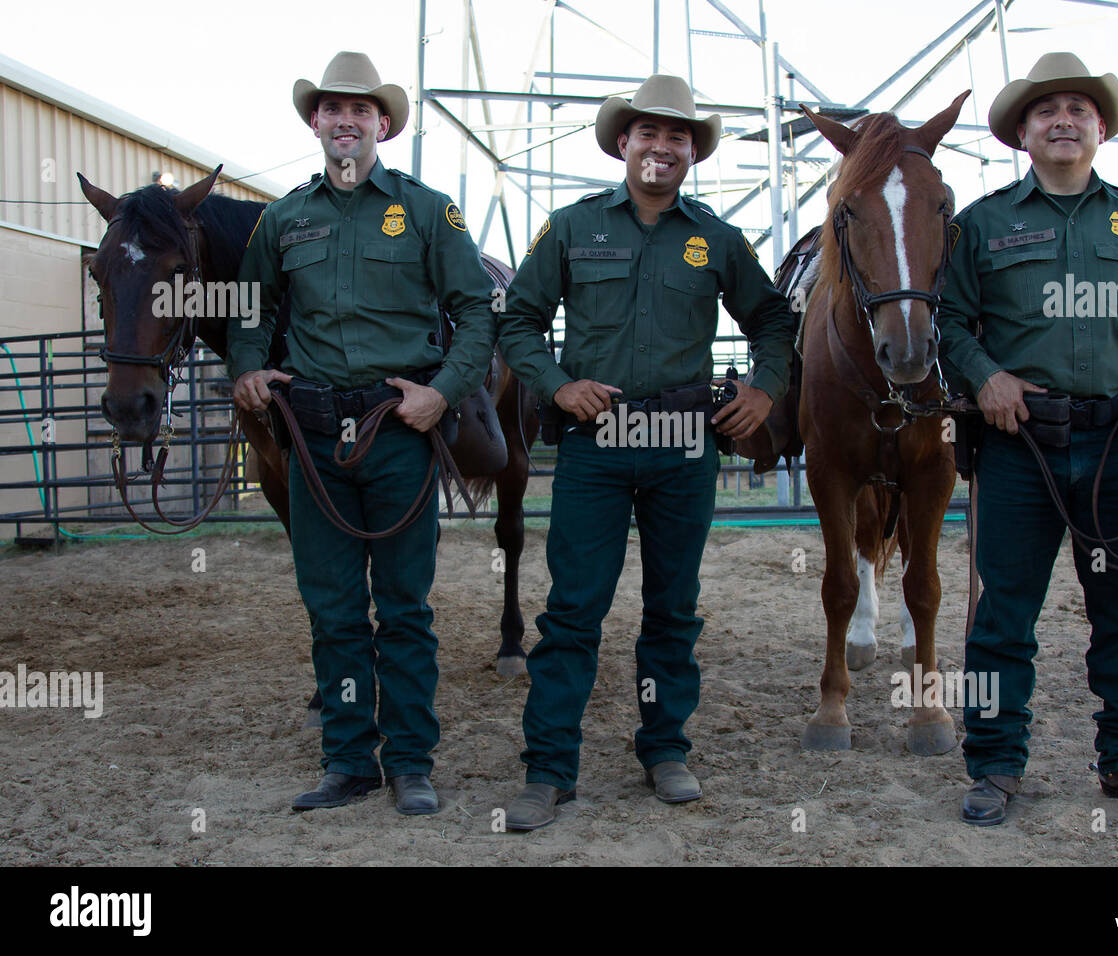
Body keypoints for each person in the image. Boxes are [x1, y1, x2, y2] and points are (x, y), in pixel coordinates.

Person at [495, 74, 796, 830]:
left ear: (692, 150)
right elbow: (518, 321)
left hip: (682, 446)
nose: (662, 146)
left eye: (678, 135)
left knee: (672, 609)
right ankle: (548, 769)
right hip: (597, 446)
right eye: (648, 133)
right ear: (623, 142)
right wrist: (558, 386)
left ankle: (665, 750)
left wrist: (762, 390)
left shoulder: (717, 239)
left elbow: (772, 321)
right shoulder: (571, 227)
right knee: (572, 611)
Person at [937, 53, 1118, 826]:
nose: (1064, 120)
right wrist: (985, 376)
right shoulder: (982, 224)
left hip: (1117, 446)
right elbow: (949, 324)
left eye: (1078, 109)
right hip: (1018, 446)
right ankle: (994, 765)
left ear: (1098, 128)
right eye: (1046, 110)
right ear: (1022, 133)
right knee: (1002, 619)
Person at [227, 51, 497, 815]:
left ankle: (410, 760)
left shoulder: (427, 209)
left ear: (382, 123)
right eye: (331, 109)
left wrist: (443, 393)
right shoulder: (283, 219)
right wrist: (247, 367)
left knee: (404, 607)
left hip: (400, 432)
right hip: (312, 441)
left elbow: (477, 312)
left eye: (361, 110)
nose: (345, 121)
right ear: (315, 122)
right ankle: (348, 761)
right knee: (334, 608)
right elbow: (251, 310)